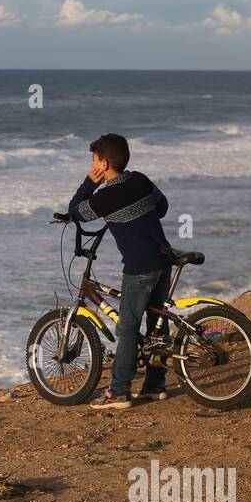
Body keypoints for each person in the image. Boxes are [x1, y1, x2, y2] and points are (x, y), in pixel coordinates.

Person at [67, 133, 173, 410]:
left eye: (94, 160)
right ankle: (154, 385)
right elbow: (161, 207)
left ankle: (119, 392)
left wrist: (90, 182)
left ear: (103, 163)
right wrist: (138, 216)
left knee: (127, 327)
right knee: (157, 324)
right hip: (164, 258)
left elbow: (77, 211)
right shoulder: (140, 179)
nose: (92, 164)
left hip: (140, 267)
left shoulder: (105, 197)